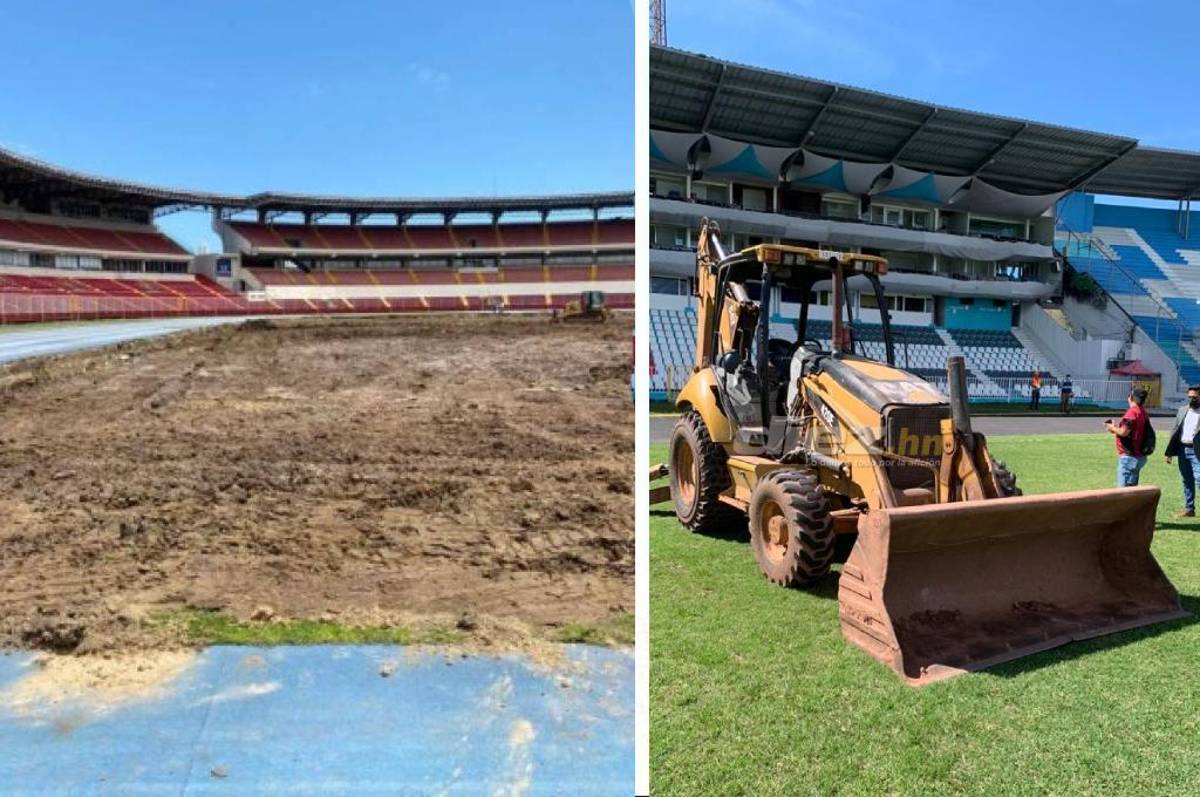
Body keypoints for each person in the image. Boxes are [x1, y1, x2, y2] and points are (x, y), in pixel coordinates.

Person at [1165, 385, 1200, 517]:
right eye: (1190, 397)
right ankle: (1189, 508)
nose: (1191, 400)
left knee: (1199, 479)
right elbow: (1175, 430)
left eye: (1195, 397)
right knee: (1186, 479)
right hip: (1182, 450)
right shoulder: (1182, 410)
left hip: (1197, 451)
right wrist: (1169, 452)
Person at [1106, 387, 1150, 487]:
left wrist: (1112, 427)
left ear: (1131, 397)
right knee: (1132, 491)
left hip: (1129, 456)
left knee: (1123, 493)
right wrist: (1115, 429)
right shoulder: (1143, 412)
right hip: (1139, 455)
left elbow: (1123, 432)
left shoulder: (1132, 412)